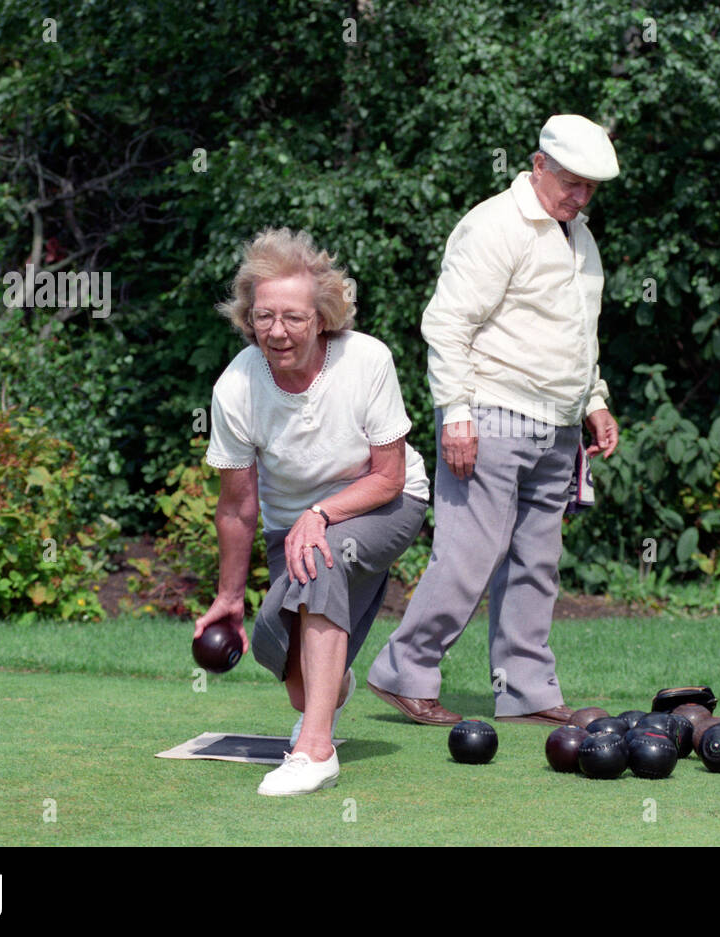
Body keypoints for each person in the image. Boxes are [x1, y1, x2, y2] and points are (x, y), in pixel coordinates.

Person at [367, 115, 621, 726]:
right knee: (468, 557)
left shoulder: (578, 238)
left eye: (590, 187)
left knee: (536, 563)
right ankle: (405, 673)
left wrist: (595, 401)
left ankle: (528, 693)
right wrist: (455, 414)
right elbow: (447, 324)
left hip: (558, 426)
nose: (580, 196)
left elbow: (578, 333)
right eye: (571, 182)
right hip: (491, 416)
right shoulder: (493, 225)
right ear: (538, 165)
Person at [195, 228, 430, 795]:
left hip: (385, 504)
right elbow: (237, 506)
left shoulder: (367, 359)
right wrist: (228, 596)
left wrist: (321, 513)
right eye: (264, 316)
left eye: (293, 318)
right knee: (285, 657)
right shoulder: (236, 387)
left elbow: (389, 475)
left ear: (322, 317)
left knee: (320, 560)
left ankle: (315, 750)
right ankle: (327, 691)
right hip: (292, 527)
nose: (277, 331)